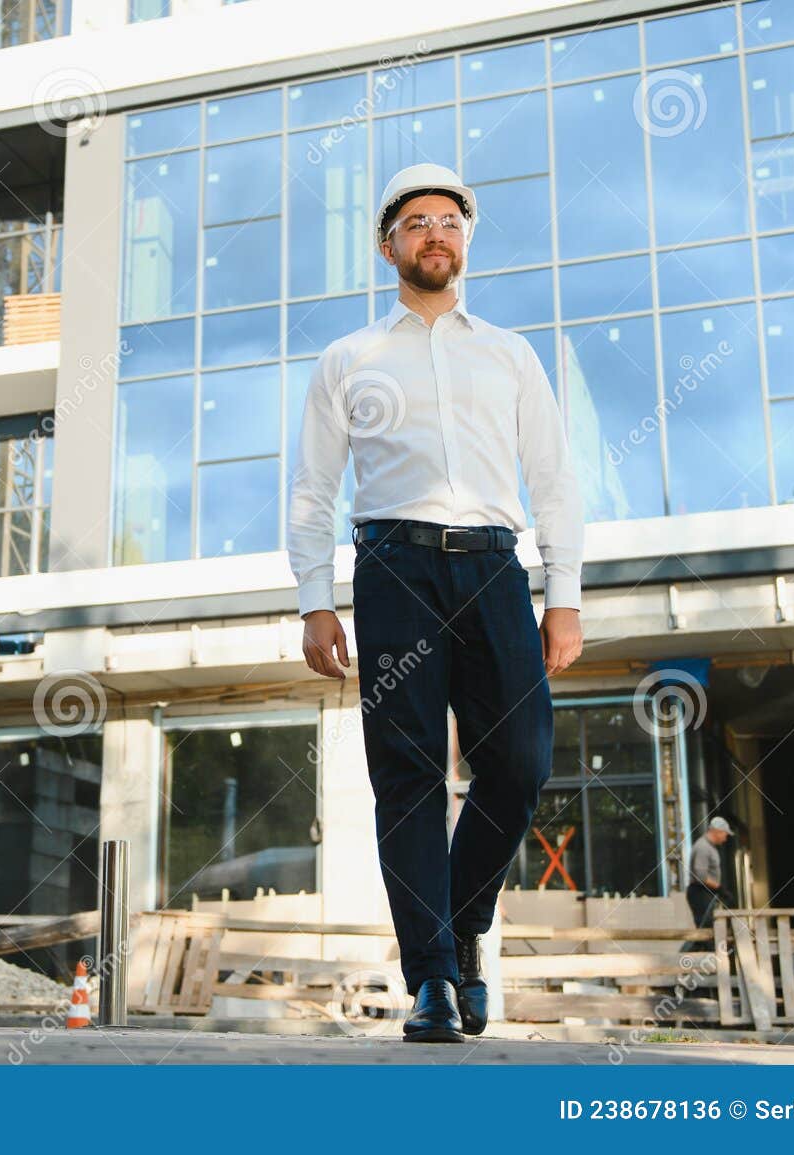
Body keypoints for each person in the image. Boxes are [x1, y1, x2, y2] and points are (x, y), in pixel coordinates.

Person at [286, 163, 584, 1043]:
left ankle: (460, 928)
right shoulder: (349, 359)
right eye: (417, 222)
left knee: (521, 762)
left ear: (465, 238)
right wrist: (314, 598)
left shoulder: (510, 354)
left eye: (449, 220)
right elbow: (313, 488)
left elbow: (554, 480)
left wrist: (561, 593)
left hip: (494, 567)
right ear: (390, 246)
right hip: (394, 570)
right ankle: (434, 982)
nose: (435, 233)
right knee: (408, 776)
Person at [686, 817, 735, 941]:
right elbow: (700, 876)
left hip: (706, 891)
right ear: (717, 831)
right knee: (707, 929)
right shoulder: (703, 847)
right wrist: (719, 888)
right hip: (700, 892)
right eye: (725, 834)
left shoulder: (710, 847)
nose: (725, 838)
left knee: (711, 928)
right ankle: (693, 955)